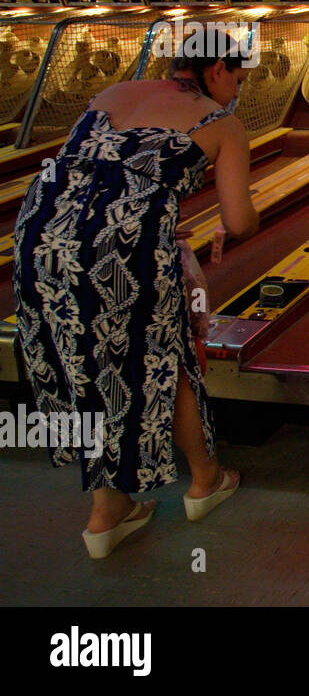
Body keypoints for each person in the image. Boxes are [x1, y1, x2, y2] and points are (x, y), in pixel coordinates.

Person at [13, 37, 257, 560]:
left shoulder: (113, 91)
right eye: (236, 82)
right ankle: (204, 481)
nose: (234, 95)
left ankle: (107, 511)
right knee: (163, 360)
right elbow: (239, 220)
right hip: (121, 250)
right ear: (217, 69)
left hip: (40, 239)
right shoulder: (220, 124)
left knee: (77, 367)